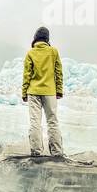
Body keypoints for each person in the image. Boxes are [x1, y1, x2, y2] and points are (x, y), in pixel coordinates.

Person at [21, 26, 63, 156]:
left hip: (33, 92)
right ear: (47, 39)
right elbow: (58, 72)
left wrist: (24, 92)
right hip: (50, 92)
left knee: (35, 122)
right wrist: (59, 90)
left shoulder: (31, 53)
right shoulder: (53, 51)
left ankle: (36, 151)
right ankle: (57, 152)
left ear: (35, 38)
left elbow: (27, 74)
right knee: (52, 121)